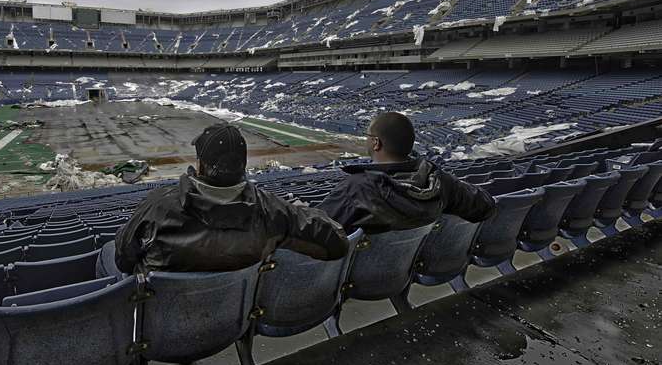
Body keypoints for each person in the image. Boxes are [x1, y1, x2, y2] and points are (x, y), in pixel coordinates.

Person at [109, 122, 348, 274]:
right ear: (243, 165)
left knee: (107, 255)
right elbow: (337, 242)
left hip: (161, 324)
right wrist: (286, 232)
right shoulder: (270, 207)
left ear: (200, 164)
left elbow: (123, 261)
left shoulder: (159, 204)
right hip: (233, 322)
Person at [317, 111, 496, 233]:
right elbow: (485, 206)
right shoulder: (440, 181)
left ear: (376, 143)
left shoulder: (356, 189)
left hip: (358, 281)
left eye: (368, 137)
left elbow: (316, 233)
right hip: (408, 273)